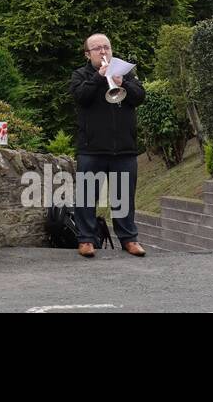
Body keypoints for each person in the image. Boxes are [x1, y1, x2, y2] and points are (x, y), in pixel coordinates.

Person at [68, 33, 146, 259]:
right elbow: (81, 97)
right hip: (91, 148)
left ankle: (129, 239)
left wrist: (124, 85)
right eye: (97, 49)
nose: (103, 52)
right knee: (86, 196)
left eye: (107, 47)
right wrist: (99, 78)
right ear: (87, 54)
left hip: (124, 148)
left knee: (123, 197)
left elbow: (140, 96)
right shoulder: (80, 75)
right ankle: (86, 240)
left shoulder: (125, 72)